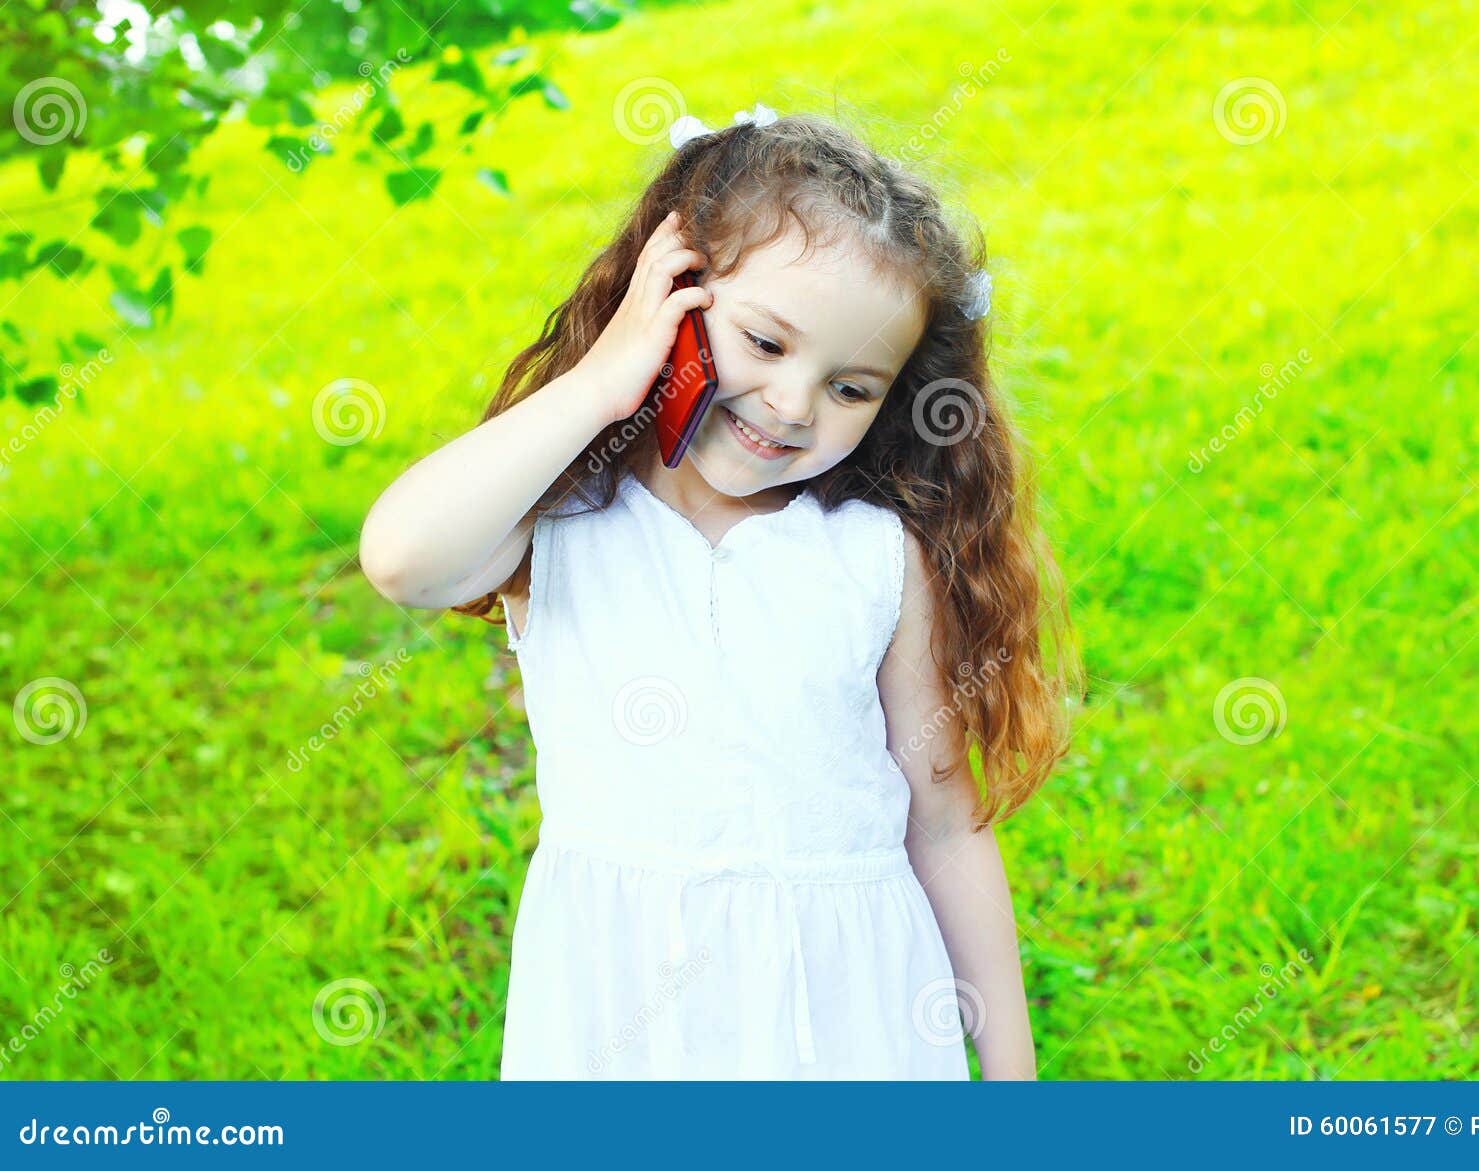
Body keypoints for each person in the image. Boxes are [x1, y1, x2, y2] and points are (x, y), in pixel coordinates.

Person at [360, 104, 1083, 1079]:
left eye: (852, 387)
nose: (794, 405)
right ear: (670, 296)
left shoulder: (872, 555)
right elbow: (402, 557)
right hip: (623, 1011)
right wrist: (605, 381)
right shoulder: (562, 519)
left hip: (846, 1011)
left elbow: (944, 825)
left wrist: (1012, 1079)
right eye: (766, 342)